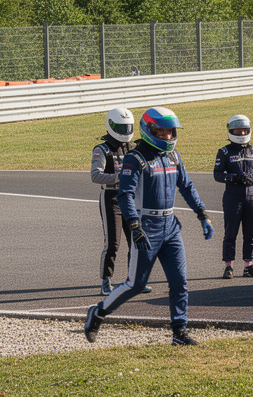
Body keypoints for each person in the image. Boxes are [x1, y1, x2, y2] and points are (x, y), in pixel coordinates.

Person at [84, 107, 214, 347]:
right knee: (136, 284)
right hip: (147, 226)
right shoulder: (136, 158)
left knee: (180, 281)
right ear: (149, 130)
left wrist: (202, 213)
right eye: (161, 132)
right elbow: (125, 194)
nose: (167, 136)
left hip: (171, 226)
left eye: (170, 131)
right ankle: (99, 312)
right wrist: (134, 224)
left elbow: (186, 186)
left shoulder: (174, 157)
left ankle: (179, 331)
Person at [90, 108, 150, 295]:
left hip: (131, 198)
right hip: (111, 198)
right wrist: (119, 176)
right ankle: (106, 281)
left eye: (127, 128)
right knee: (112, 243)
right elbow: (95, 175)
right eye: (121, 128)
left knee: (136, 240)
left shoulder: (134, 147)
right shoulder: (102, 149)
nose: (125, 132)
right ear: (111, 126)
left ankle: (134, 279)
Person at [213, 114, 253, 279]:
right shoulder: (224, 151)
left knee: (251, 233)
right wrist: (233, 178)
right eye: (238, 130)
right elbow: (217, 174)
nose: (242, 133)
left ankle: (248, 265)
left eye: (244, 130)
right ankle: (228, 266)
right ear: (231, 131)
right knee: (231, 233)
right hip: (232, 197)